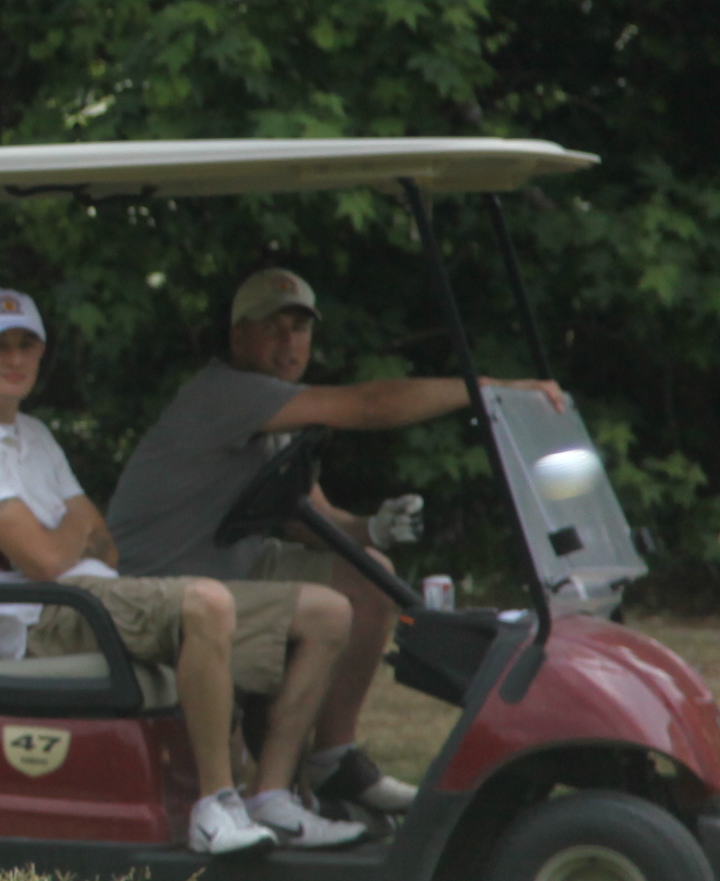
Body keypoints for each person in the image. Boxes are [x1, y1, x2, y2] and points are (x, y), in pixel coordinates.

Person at [0, 288, 363, 856]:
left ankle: (270, 795)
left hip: (93, 595)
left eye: (26, 344)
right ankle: (214, 806)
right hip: (41, 620)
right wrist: (71, 531)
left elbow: (105, 541)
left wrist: (68, 535)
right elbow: (47, 562)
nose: (15, 358)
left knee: (327, 613)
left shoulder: (32, 434)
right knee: (207, 604)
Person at [107, 267, 561, 825]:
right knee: (328, 611)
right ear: (238, 337)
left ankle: (333, 759)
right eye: (271, 328)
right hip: (163, 587)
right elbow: (368, 404)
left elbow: (312, 518)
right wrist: (485, 388)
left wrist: (374, 528)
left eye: (299, 328)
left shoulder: (281, 408)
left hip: (226, 567)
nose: (288, 342)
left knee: (367, 572)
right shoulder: (230, 393)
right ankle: (272, 796)